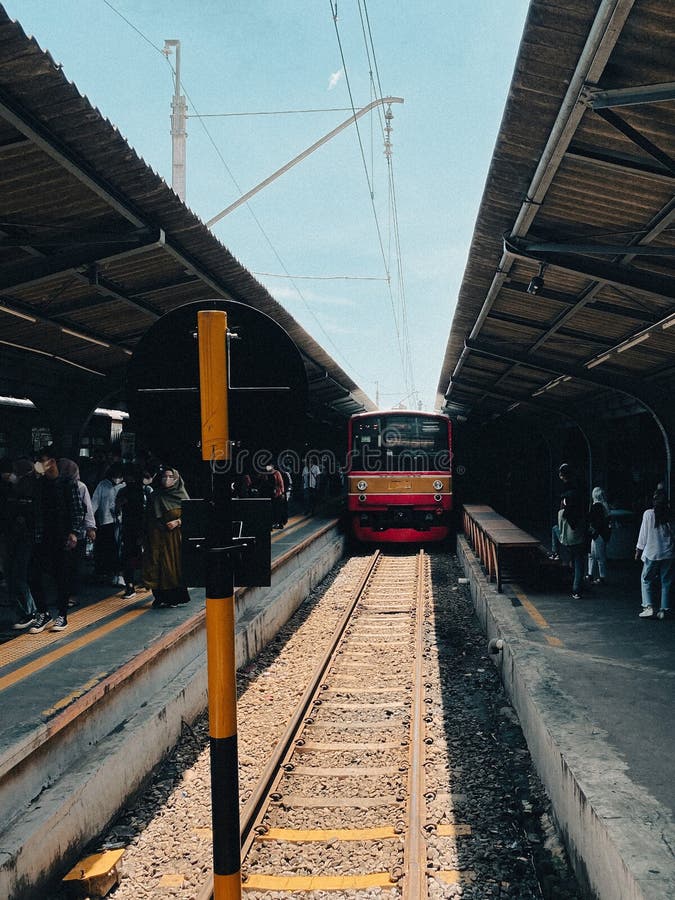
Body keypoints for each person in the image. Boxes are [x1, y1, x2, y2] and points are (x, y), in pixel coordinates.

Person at [28, 448, 84, 633]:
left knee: (61, 576)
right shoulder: (39, 484)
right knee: (33, 574)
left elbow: (77, 510)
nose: (38, 464)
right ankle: (43, 613)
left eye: (41, 460)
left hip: (63, 536)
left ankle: (62, 615)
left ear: (52, 461)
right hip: (43, 536)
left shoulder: (68, 483)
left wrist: (74, 532)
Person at [143, 466, 191, 609]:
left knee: (172, 565)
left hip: (174, 538)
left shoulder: (182, 496)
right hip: (156, 536)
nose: (167, 480)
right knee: (156, 564)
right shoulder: (155, 496)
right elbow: (148, 517)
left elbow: (191, 515)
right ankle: (159, 597)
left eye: (171, 477)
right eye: (164, 476)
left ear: (177, 479)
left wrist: (177, 522)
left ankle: (173, 597)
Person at [6, 458, 39, 629]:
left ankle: (30, 612)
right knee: (13, 575)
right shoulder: (12, 489)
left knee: (19, 574)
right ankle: (24, 612)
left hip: (25, 538)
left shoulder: (30, 488)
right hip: (13, 537)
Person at [635, 489, 673, 620]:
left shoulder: (648, 514)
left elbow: (643, 535)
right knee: (666, 581)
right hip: (668, 553)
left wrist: (638, 550)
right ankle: (664, 609)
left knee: (646, 579)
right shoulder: (669, 514)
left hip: (652, 552)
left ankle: (648, 606)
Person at [116, 465, 152, 599]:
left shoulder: (144, 491)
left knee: (133, 556)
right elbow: (117, 509)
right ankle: (133, 584)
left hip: (137, 528)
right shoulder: (142, 491)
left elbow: (116, 509)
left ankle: (135, 584)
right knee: (134, 556)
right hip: (132, 528)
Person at [91, 463, 124, 584]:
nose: (117, 478)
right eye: (115, 475)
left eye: (119, 475)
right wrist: (90, 520)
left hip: (121, 522)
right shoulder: (103, 485)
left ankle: (119, 574)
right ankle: (108, 573)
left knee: (120, 548)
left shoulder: (125, 486)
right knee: (107, 548)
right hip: (105, 521)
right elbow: (94, 502)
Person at [557, 483, 587, 600]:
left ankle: (555, 552)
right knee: (579, 565)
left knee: (574, 563)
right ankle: (576, 590)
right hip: (579, 541)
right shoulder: (580, 513)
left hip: (567, 542)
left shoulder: (561, 513)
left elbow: (559, 527)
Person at [550, 463, 578, 560]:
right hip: (574, 526)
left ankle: (556, 553)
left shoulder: (568, 491)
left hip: (569, 528)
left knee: (558, 531)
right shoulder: (573, 487)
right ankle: (560, 554)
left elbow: (565, 515)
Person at [586, 487, 611, 585]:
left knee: (593, 555)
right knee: (599, 556)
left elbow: (591, 519)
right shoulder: (605, 506)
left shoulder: (596, 506)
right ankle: (598, 576)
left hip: (596, 534)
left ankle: (596, 576)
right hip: (601, 534)